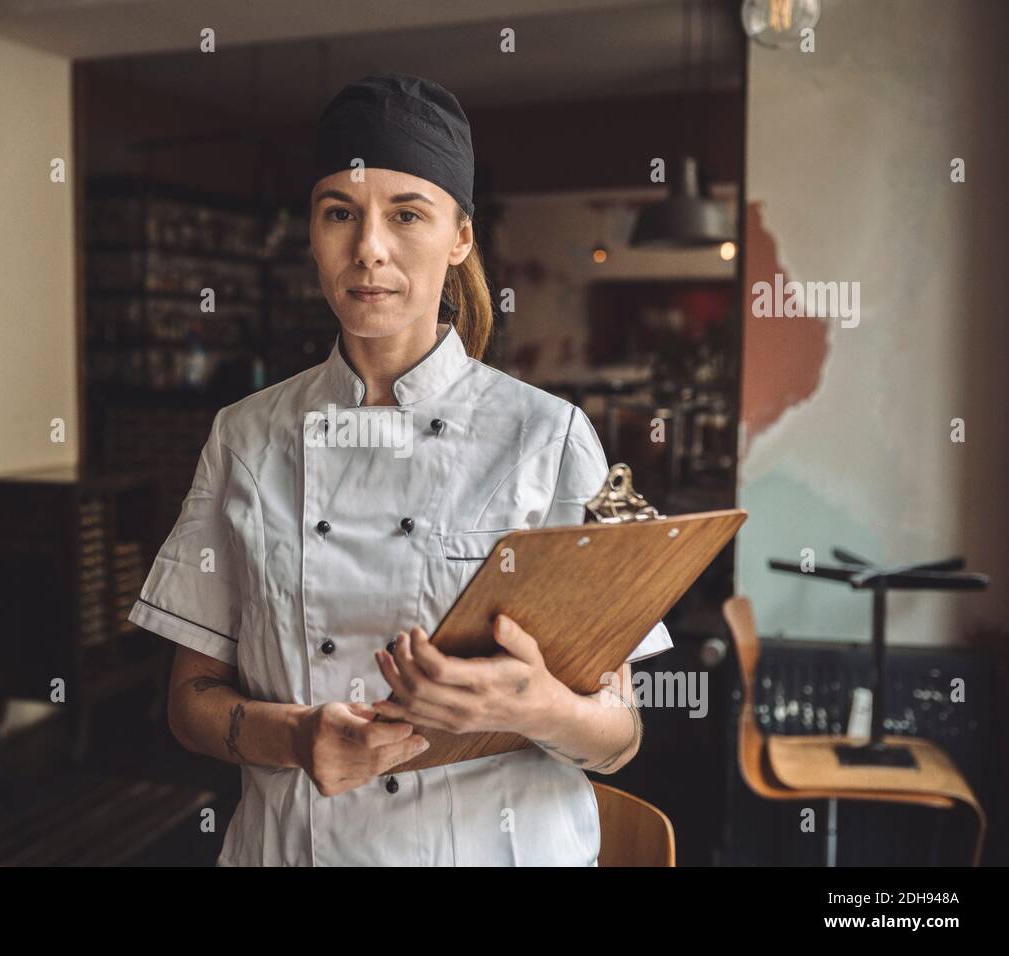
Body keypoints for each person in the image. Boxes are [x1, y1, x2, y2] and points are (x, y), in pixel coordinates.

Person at [128, 72, 671, 866]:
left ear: (459, 238)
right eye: (339, 213)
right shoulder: (245, 435)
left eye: (406, 214)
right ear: (313, 231)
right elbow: (189, 704)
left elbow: (619, 739)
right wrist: (293, 735)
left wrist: (544, 706)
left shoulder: (548, 436)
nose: (368, 248)